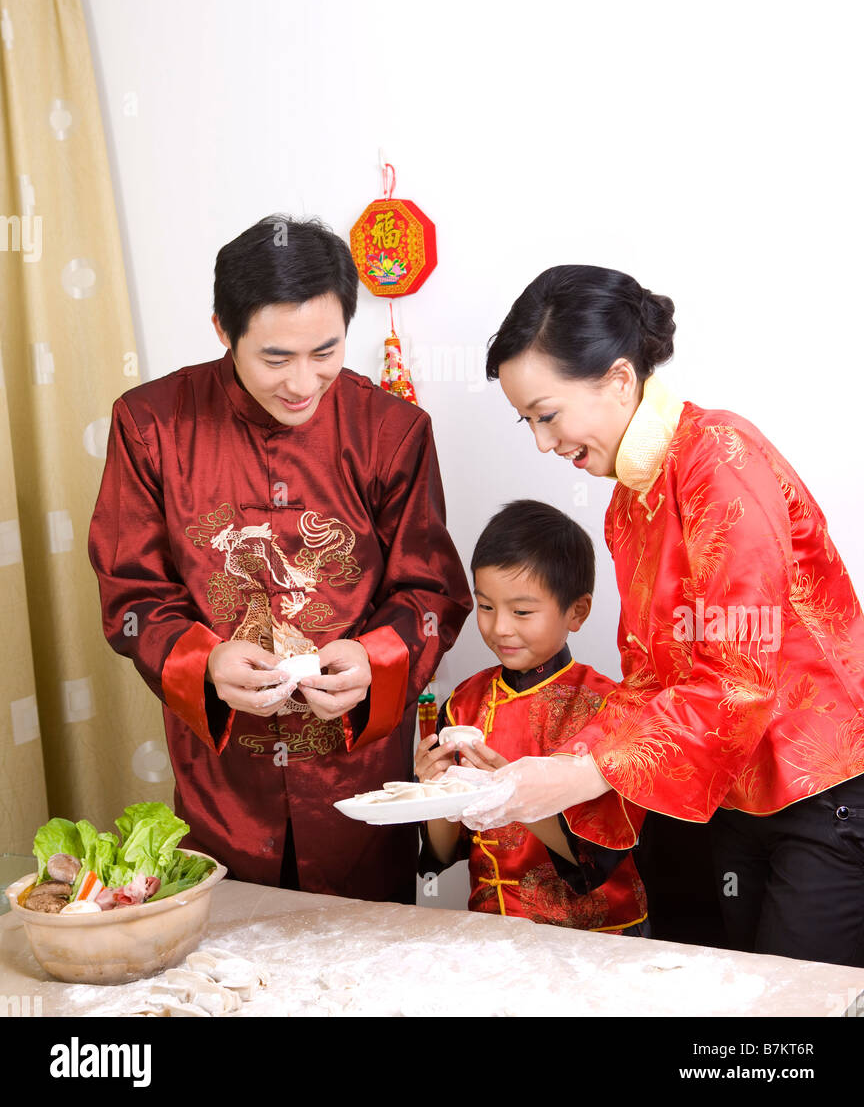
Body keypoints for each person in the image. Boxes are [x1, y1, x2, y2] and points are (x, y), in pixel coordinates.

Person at [460, 264, 864, 966]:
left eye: (547, 415)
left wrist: (583, 774)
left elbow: (737, 677)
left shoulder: (720, 455)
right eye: (527, 422)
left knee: (797, 1012)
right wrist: (556, 768)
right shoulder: (627, 504)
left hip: (820, 792)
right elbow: (650, 682)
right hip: (733, 796)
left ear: (619, 380)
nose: (542, 445)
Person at [88, 214, 472, 902]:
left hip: (359, 788)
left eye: (325, 351)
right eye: (275, 358)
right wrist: (202, 661)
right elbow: (132, 596)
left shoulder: (391, 432)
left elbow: (432, 589)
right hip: (222, 786)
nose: (303, 382)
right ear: (221, 331)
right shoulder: (150, 427)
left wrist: (377, 660)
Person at [415, 499, 647, 934]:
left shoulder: (609, 708)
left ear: (576, 612)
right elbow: (443, 855)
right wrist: (434, 793)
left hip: (602, 937)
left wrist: (514, 795)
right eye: (486, 607)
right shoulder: (462, 705)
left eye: (521, 611)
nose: (500, 627)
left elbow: (598, 859)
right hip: (492, 932)